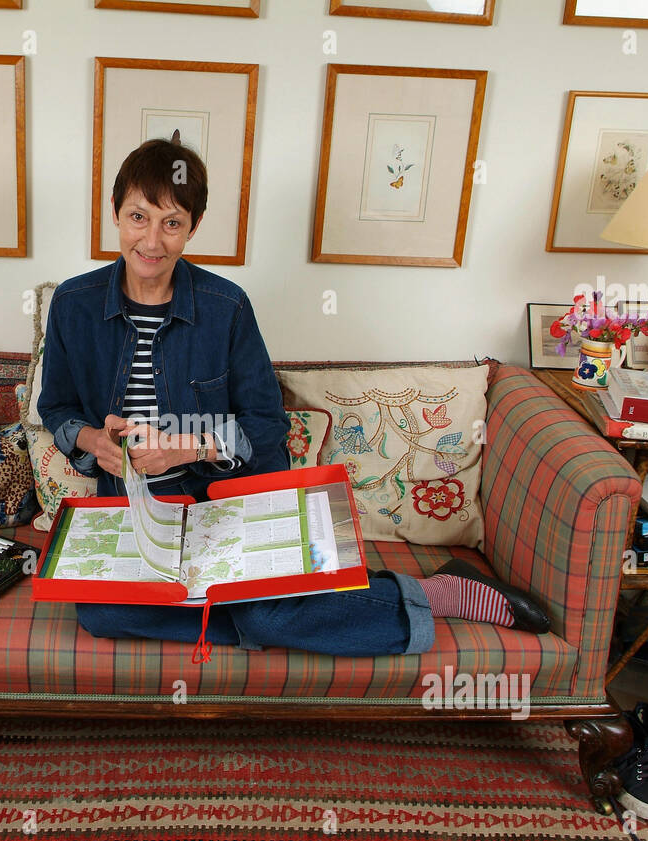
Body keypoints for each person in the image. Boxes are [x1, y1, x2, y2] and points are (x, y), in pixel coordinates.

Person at [37, 136, 549, 660]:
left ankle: (433, 592)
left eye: (171, 223)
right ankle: (293, 604)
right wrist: (90, 438)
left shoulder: (226, 307)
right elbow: (54, 407)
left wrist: (187, 449)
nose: (151, 240)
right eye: (137, 217)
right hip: (134, 510)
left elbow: (266, 427)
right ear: (116, 216)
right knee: (100, 612)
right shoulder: (73, 305)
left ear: (193, 227)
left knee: (260, 608)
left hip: (225, 501)